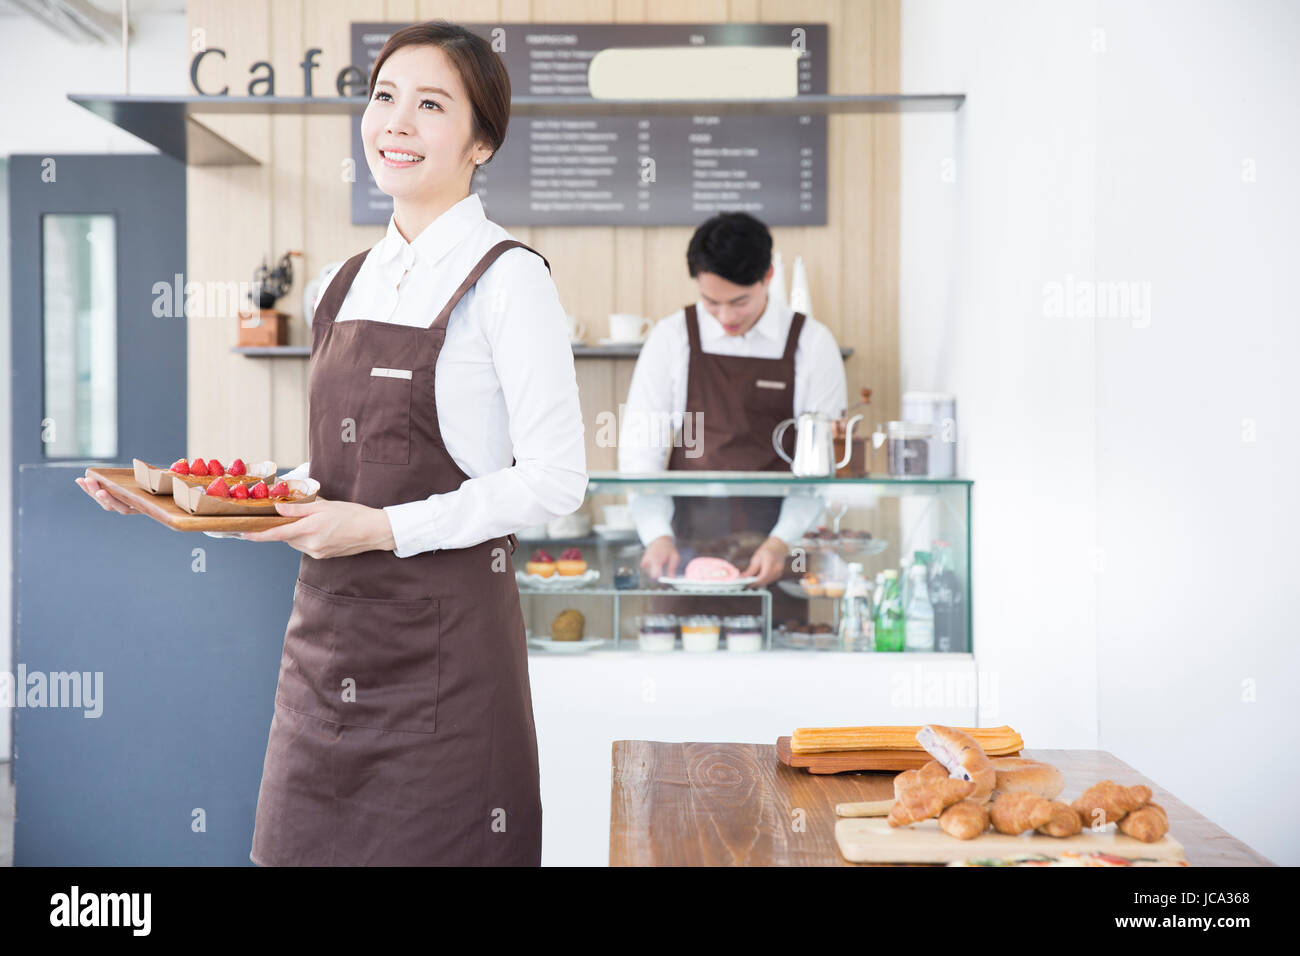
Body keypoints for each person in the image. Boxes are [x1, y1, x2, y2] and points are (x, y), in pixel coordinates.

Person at [78, 20, 586, 866]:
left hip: (448, 665)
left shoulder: (509, 281)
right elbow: (337, 471)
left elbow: (556, 479)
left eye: (430, 104)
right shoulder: (341, 282)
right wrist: (187, 499)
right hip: (325, 651)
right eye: (384, 97)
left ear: (481, 140)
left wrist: (383, 529)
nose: (396, 122)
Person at [617, 213, 847, 621]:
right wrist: (657, 536)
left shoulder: (812, 345)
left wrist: (781, 542)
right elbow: (641, 453)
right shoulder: (671, 340)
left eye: (739, 301)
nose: (725, 316)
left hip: (774, 554)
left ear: (768, 277)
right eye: (711, 302)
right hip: (682, 553)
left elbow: (818, 470)